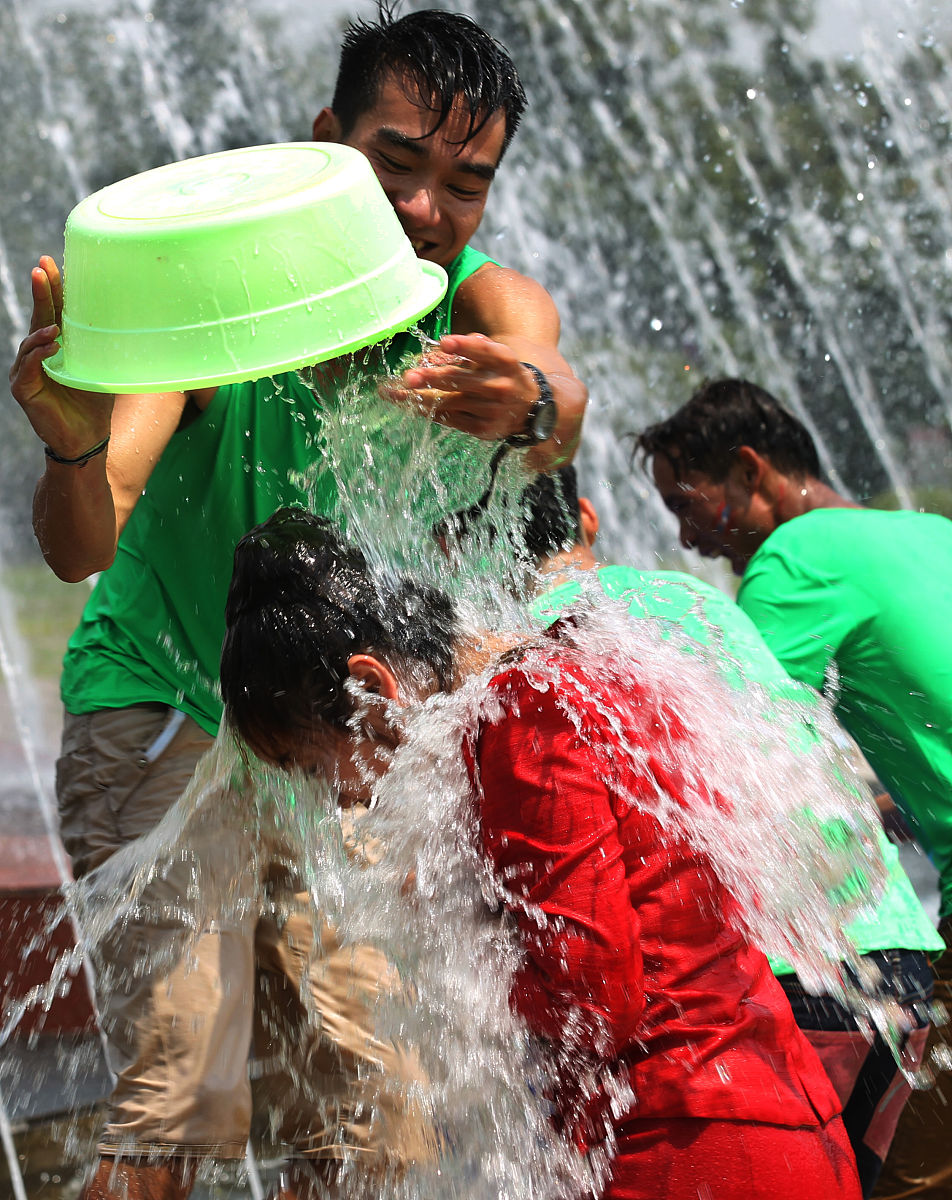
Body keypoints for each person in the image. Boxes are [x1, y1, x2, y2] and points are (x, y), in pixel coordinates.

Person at [7, 7, 586, 1198]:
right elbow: (81, 542)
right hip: (168, 709)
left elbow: (555, 387)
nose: (425, 208)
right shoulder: (218, 307)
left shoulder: (477, 306)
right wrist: (71, 447)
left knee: (376, 1113)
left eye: (465, 184)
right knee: (181, 1103)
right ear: (327, 141)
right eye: (396, 163)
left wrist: (530, 401)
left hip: (333, 743)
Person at [218, 504, 862, 1200]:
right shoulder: (571, 665)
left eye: (315, 767)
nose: (338, 800)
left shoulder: (522, 716)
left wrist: (466, 940)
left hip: (689, 1146)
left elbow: (597, 1002)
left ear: (372, 691)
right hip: (764, 1113)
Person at [515, 465, 941, 1198]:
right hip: (894, 952)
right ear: (587, 514)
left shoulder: (535, 649)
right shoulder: (697, 597)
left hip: (782, 979)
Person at [636, 377, 952, 1200]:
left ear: (751, 471)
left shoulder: (795, 558)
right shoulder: (926, 533)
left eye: (688, 503)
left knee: (910, 1183)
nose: (687, 537)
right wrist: (882, 811)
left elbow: (723, 746)